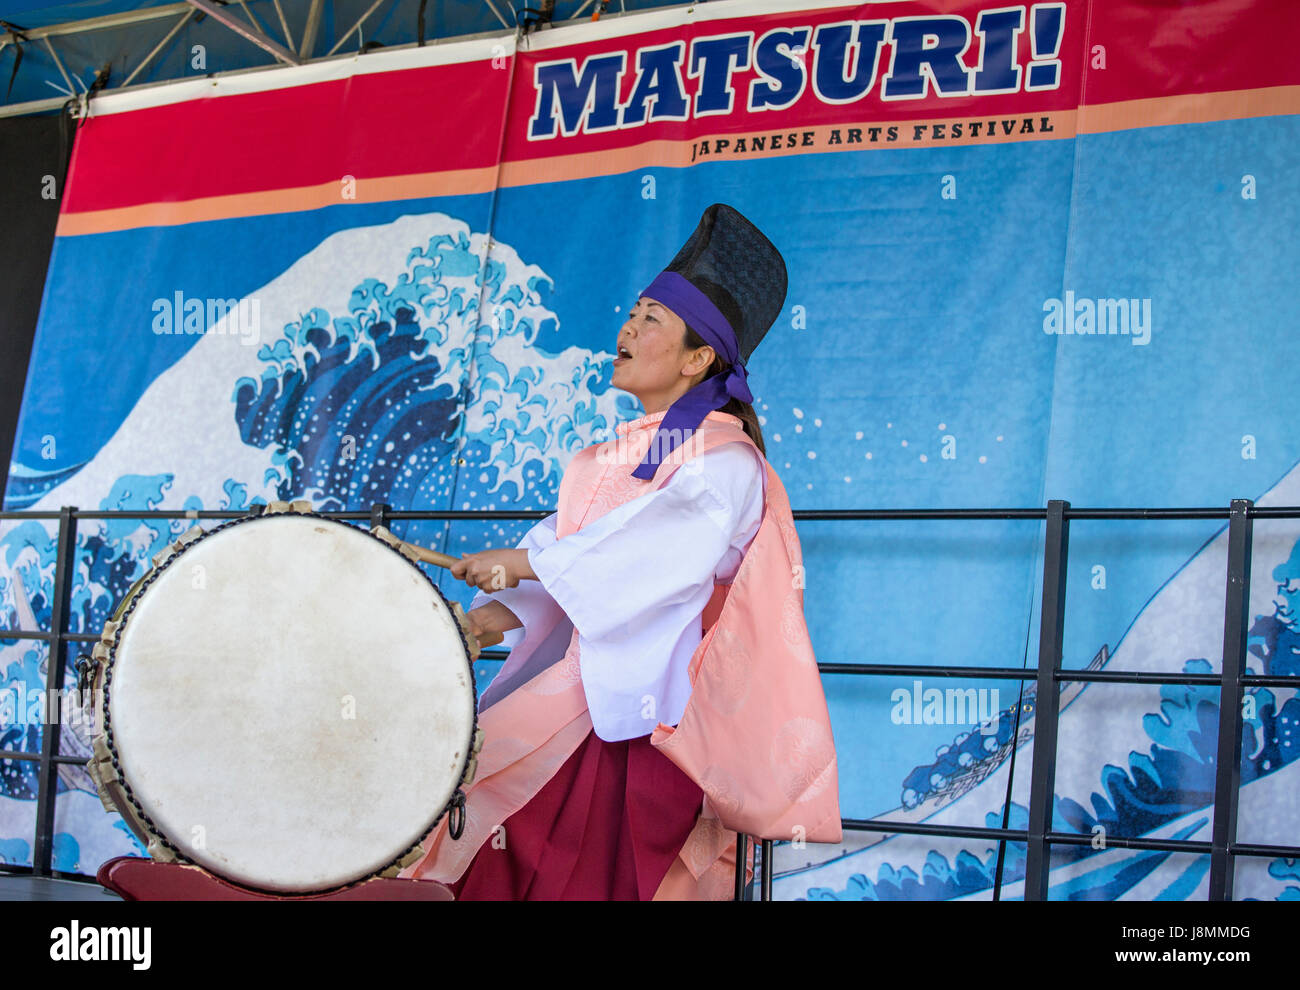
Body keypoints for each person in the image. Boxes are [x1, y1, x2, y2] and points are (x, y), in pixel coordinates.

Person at [399, 204, 841, 900]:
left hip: (650, 719)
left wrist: (526, 562)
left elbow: (648, 550)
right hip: (579, 698)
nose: (628, 328)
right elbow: (573, 554)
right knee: (479, 816)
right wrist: (485, 618)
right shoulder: (606, 457)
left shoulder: (727, 461)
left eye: (651, 320)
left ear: (698, 360)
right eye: (632, 313)